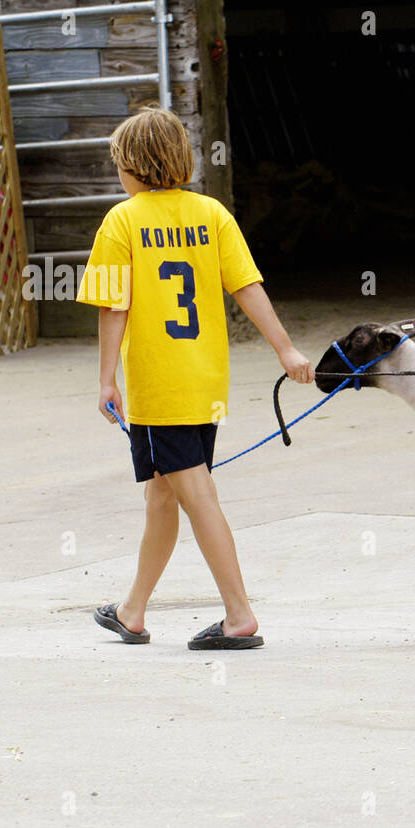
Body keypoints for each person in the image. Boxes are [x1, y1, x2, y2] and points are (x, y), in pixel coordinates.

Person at [77, 105, 312, 650]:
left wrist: (105, 379)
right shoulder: (213, 214)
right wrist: (285, 347)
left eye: (119, 163)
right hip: (206, 383)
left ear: (133, 165)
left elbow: (113, 307)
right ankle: (132, 611)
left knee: (196, 495)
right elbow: (247, 286)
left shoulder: (122, 220)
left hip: (160, 386)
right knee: (162, 496)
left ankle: (239, 615)